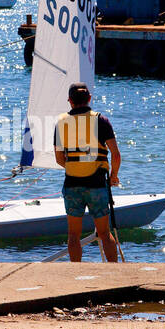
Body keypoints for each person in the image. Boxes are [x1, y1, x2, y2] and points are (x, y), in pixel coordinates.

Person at [54, 82, 121, 263]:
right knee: (104, 233)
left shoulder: (61, 122)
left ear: (69, 101)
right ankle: (114, 271)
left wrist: (76, 167)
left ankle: (77, 272)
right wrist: (114, 176)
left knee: (73, 235)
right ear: (89, 99)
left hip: (72, 185)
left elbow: (59, 159)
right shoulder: (101, 120)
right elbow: (116, 155)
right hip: (97, 184)